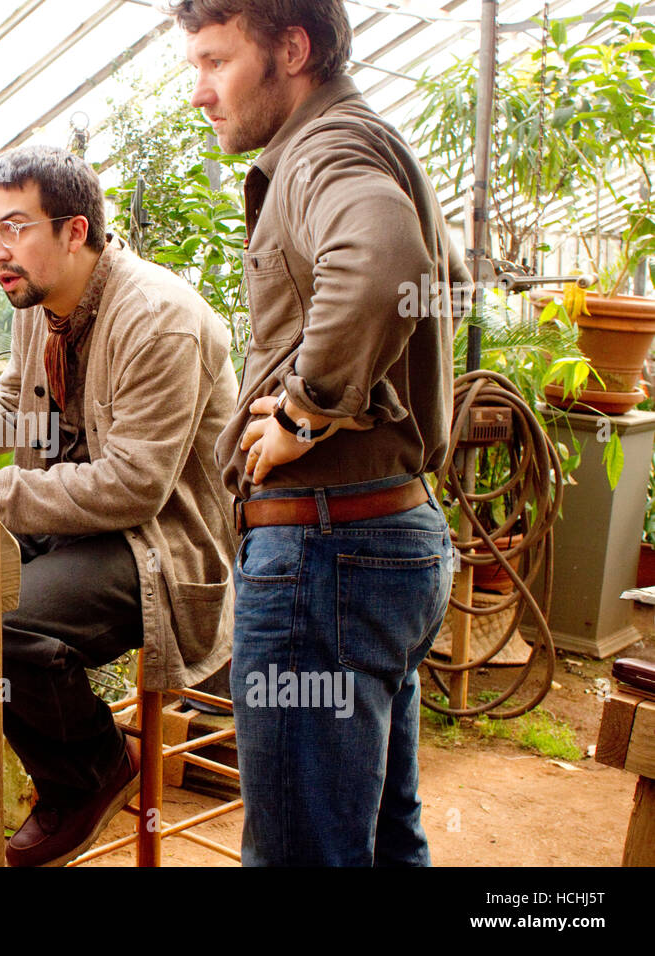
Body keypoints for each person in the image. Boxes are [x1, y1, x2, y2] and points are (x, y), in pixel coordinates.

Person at [0, 145, 239, 867]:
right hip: (69, 531)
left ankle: (90, 772)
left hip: (155, 546)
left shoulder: (158, 319)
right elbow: (15, 407)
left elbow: (135, 486)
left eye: (14, 228)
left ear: (76, 231)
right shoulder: (38, 301)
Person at [171, 0, 467, 865]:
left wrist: (307, 408)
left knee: (304, 851)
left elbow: (386, 265)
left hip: (328, 552)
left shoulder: (324, 148)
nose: (200, 91)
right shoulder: (368, 136)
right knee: (378, 838)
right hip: (387, 541)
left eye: (216, 62)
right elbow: (438, 278)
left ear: (291, 49)